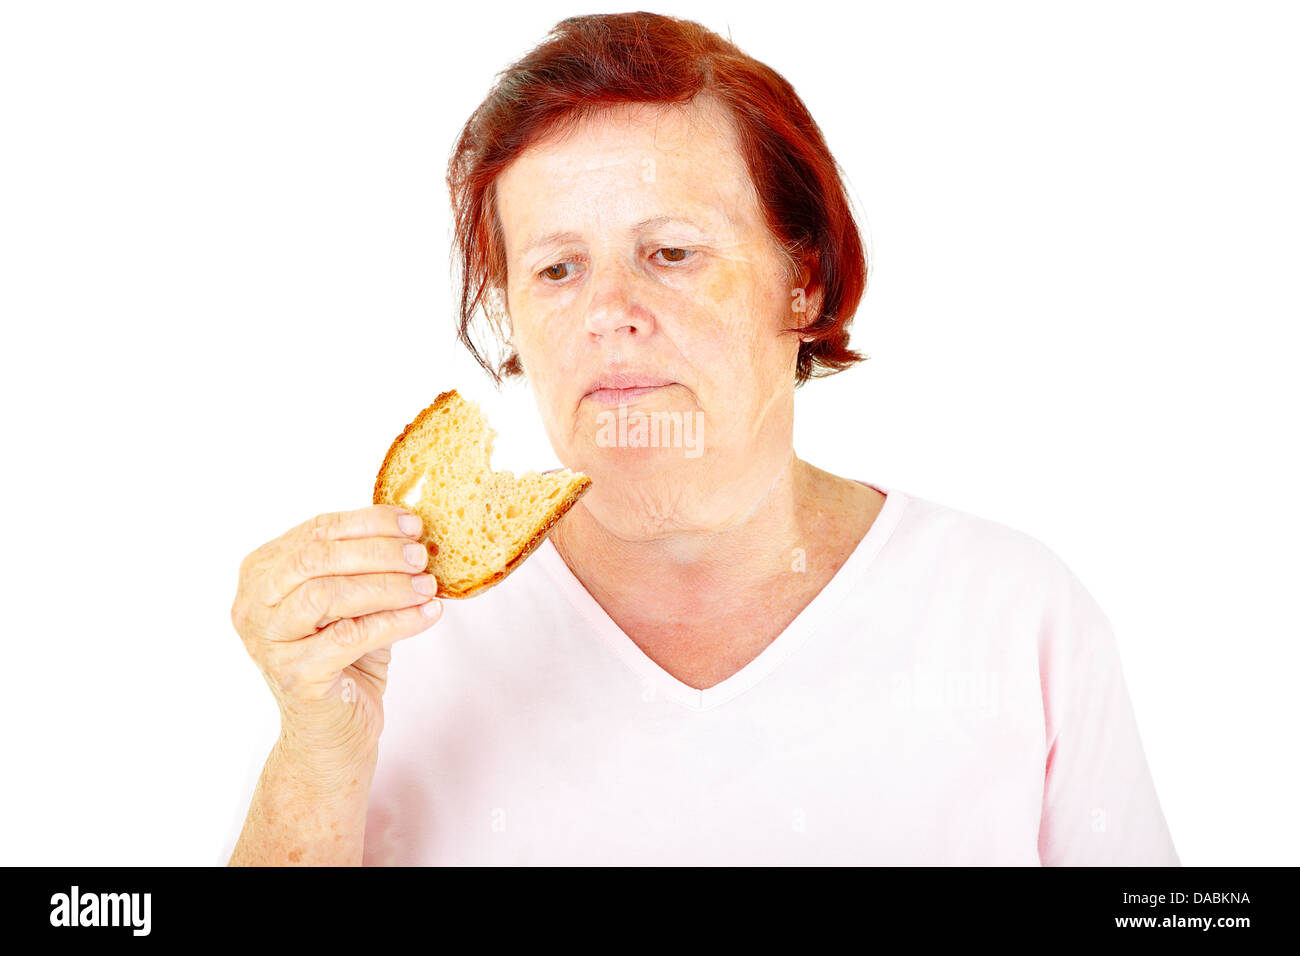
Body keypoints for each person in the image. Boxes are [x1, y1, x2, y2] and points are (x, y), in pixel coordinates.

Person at [226, 11, 1178, 866]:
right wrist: (320, 751)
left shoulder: (1013, 618)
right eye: (557, 269)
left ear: (801, 279)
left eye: (670, 252)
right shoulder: (387, 642)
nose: (609, 313)